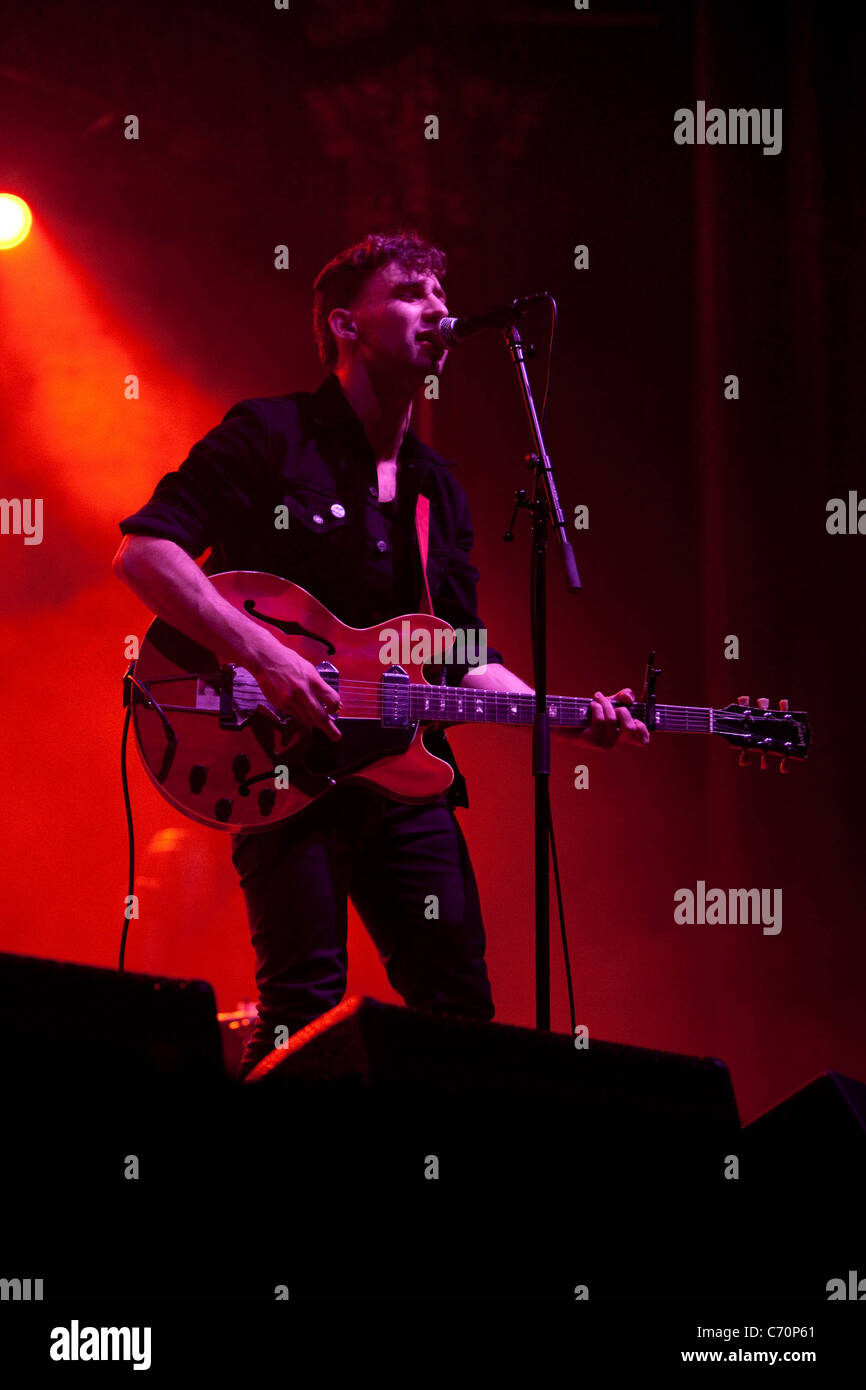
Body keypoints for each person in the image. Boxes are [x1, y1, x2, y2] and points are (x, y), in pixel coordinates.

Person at [112, 230, 649, 1079]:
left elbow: (461, 652)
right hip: (280, 768)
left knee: (461, 1014)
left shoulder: (440, 487)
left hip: (402, 775)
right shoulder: (271, 433)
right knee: (300, 1010)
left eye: (442, 292)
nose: (438, 307)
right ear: (345, 324)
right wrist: (265, 659)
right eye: (410, 292)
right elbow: (146, 552)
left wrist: (568, 718)